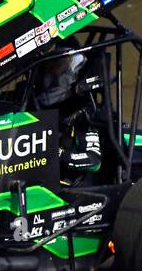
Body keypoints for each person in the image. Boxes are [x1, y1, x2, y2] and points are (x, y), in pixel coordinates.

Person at [36, 48, 103, 179]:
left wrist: (60, 154)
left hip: (66, 185)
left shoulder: (81, 116)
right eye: (49, 69)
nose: (51, 74)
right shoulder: (33, 105)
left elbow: (94, 161)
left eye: (59, 68)